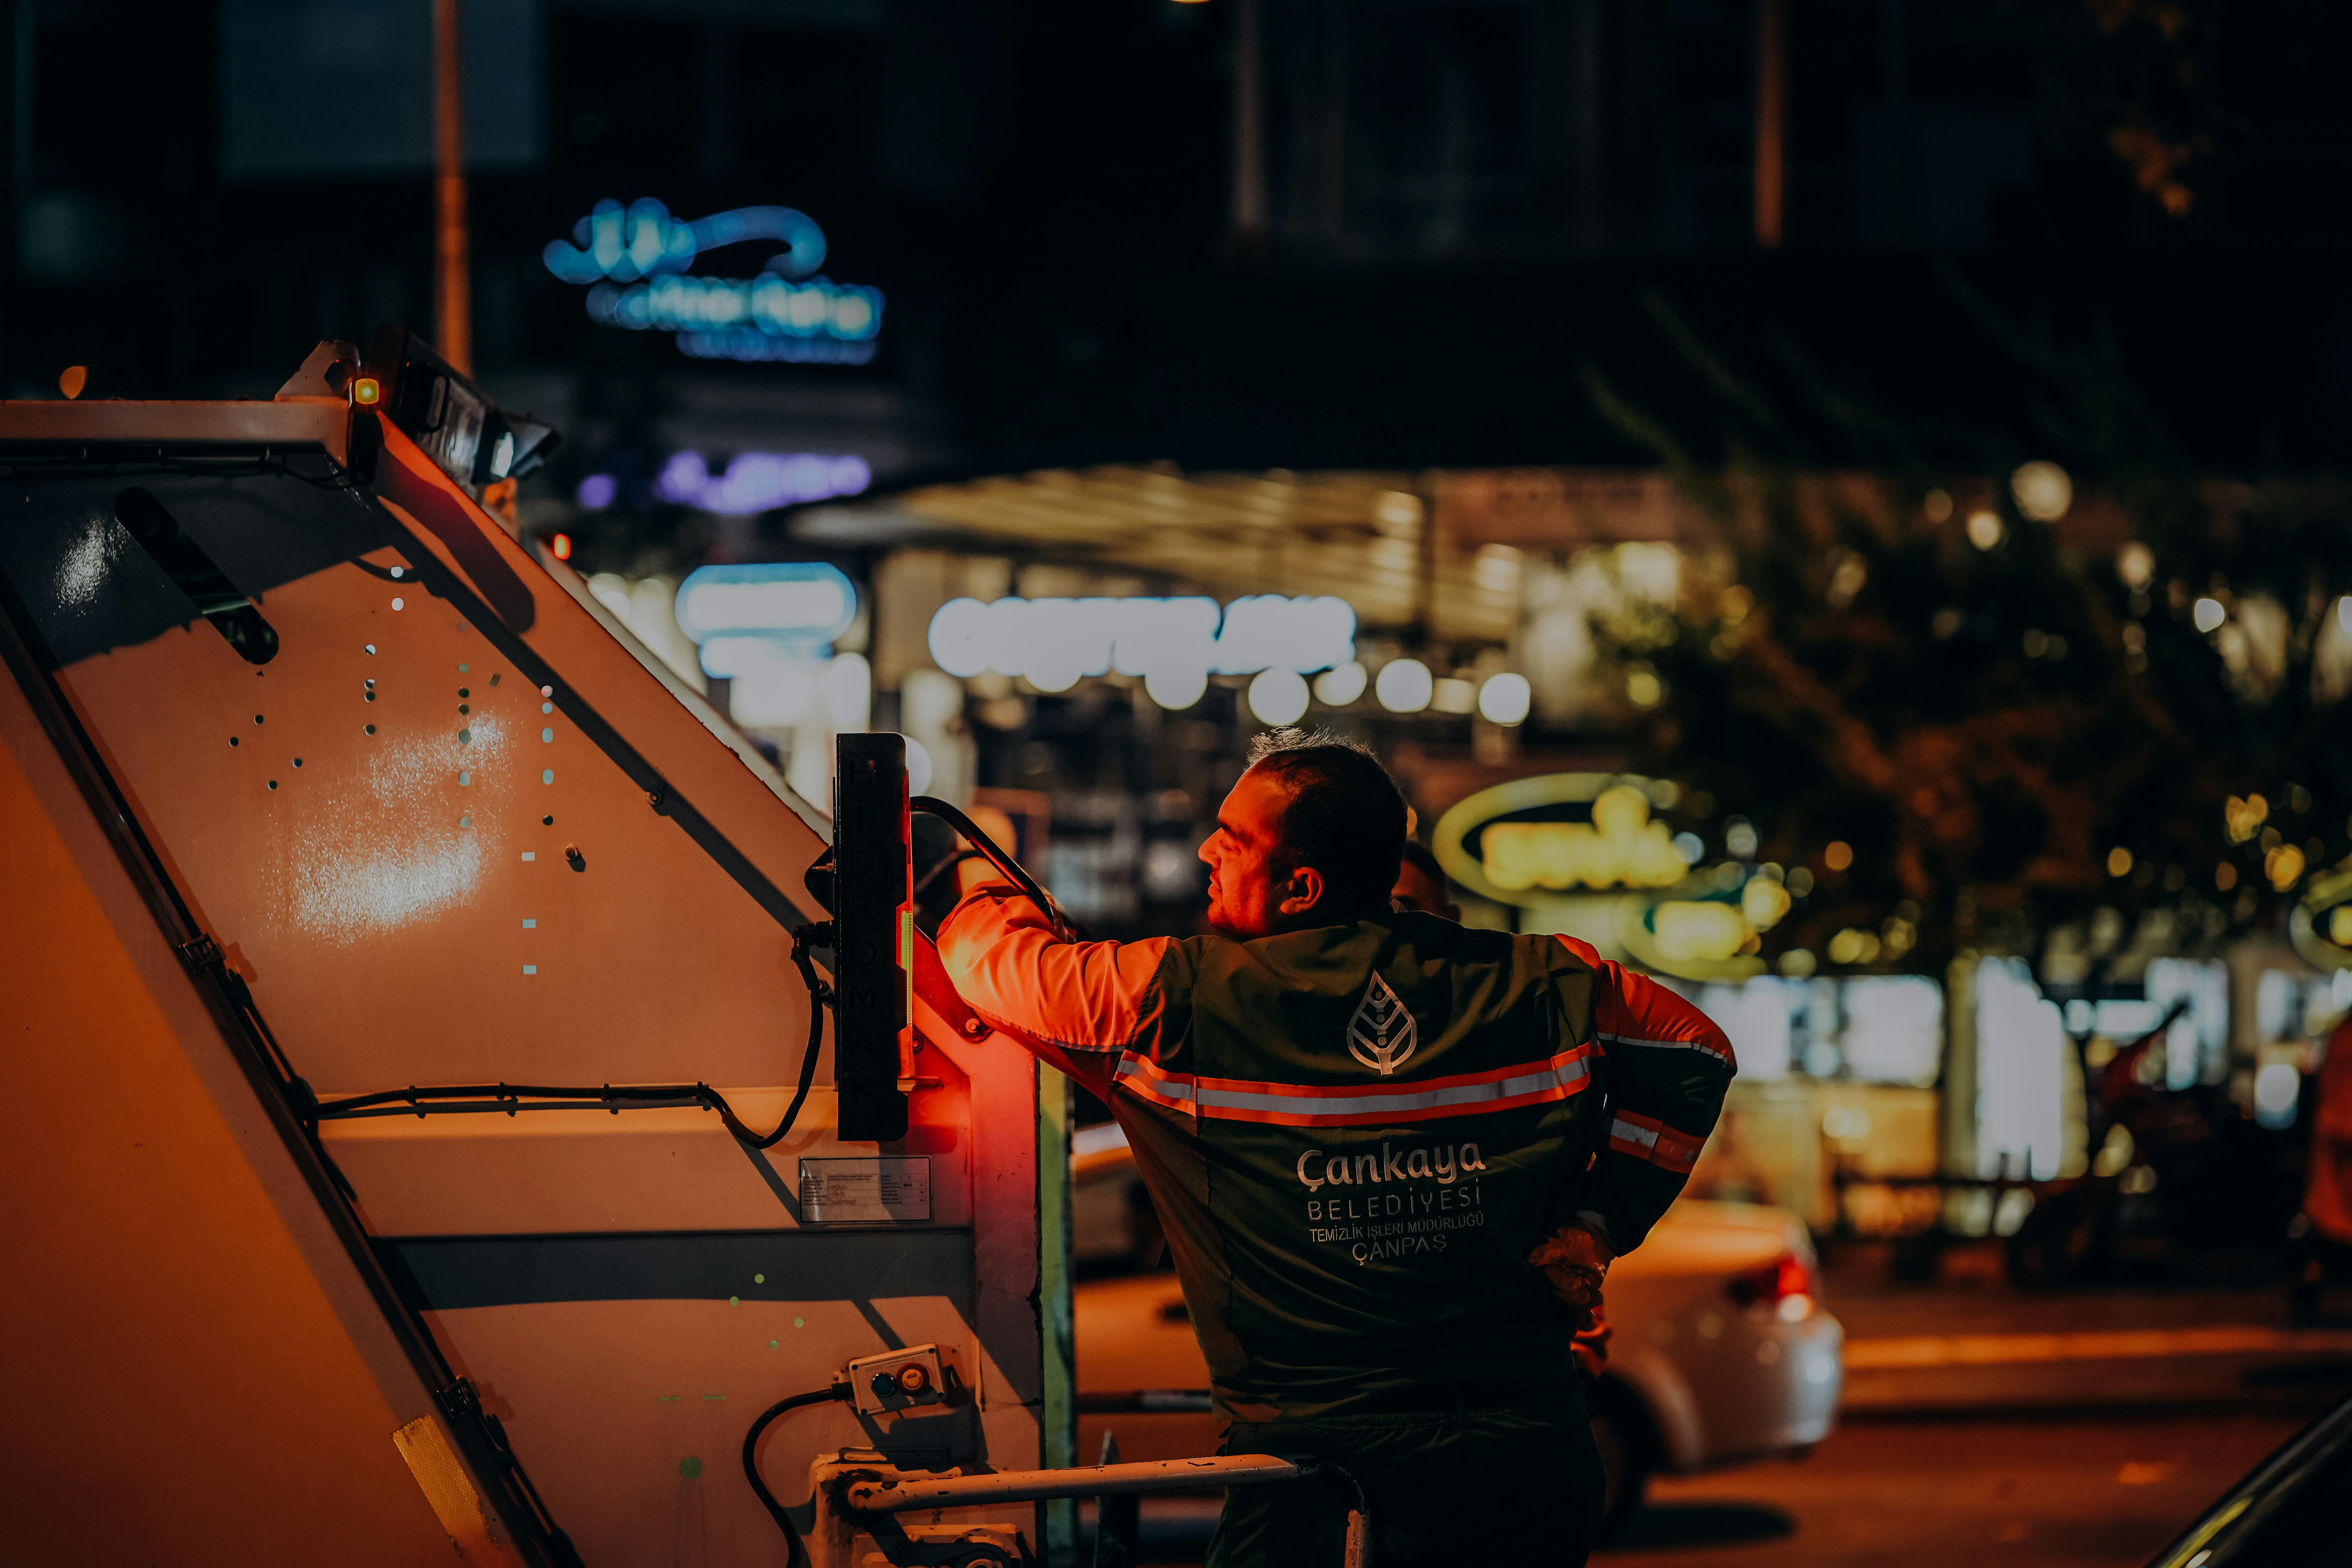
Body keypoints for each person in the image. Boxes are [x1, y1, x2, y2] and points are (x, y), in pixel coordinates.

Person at [938, 732, 1734, 1566]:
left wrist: (981, 877)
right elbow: (1696, 1054)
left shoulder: (1177, 999)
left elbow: (990, 964)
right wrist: (1602, 1220)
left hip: (1321, 1482)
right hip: (1527, 1460)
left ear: (1300, 886)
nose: (1207, 849)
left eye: (1233, 838)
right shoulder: (1542, 979)